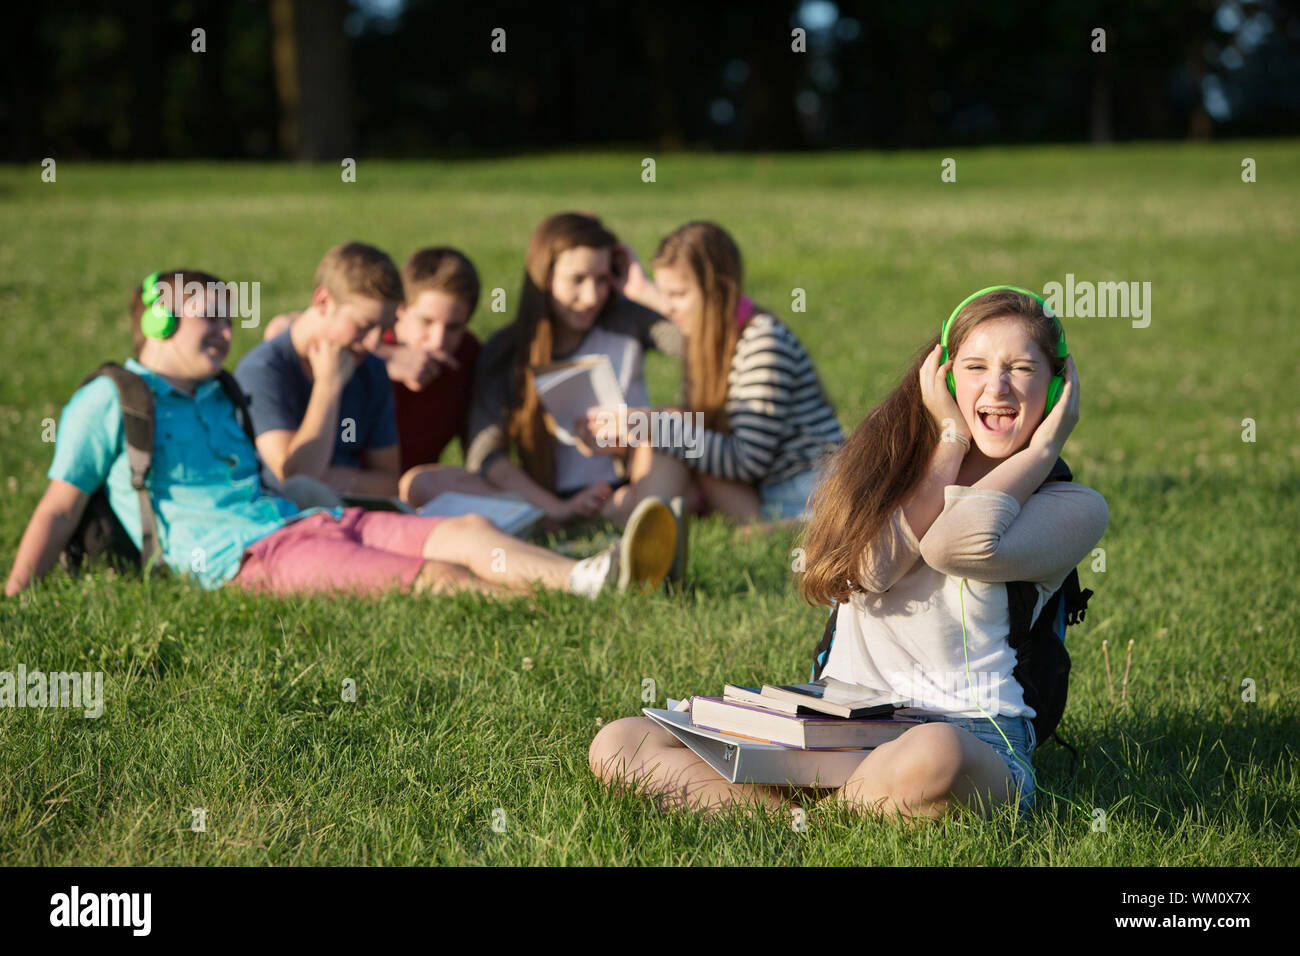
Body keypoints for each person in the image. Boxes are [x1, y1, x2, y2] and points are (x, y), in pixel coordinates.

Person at [588, 287, 1108, 821]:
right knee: (619, 742)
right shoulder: (888, 473)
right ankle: (832, 811)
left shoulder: (1071, 504)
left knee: (937, 753)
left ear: (1055, 388)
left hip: (969, 739)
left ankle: (793, 810)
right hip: (839, 722)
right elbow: (869, 571)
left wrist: (1043, 450)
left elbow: (958, 545)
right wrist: (949, 442)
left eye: (1021, 368)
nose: (996, 387)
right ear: (945, 378)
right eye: (975, 366)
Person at [4, 270, 679, 600]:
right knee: (433, 578)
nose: (223, 332)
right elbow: (60, 505)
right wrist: (15, 598)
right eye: (205, 320)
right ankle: (557, 605)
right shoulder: (108, 400)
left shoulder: (222, 389)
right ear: (155, 324)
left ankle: (591, 579)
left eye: (225, 318)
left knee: (467, 528)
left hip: (306, 515)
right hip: (240, 560)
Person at [593, 221, 844, 522]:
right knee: (669, 426)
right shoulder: (719, 334)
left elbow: (746, 461)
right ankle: (629, 518)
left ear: (721, 289)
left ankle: (627, 520)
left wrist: (654, 427)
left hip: (807, 491)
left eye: (678, 294)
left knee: (667, 428)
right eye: (664, 294)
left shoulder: (762, 344)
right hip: (774, 488)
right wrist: (641, 291)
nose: (667, 308)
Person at [466, 212, 693, 528]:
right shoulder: (506, 349)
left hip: (632, 483)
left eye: (602, 279)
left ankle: (630, 521)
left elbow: (709, 348)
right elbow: (486, 455)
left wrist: (648, 294)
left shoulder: (626, 319)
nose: (591, 297)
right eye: (577, 279)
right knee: (425, 483)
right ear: (545, 276)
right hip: (544, 498)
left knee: (678, 424)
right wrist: (559, 508)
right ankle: (594, 524)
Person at [260, 245, 495, 507]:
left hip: (411, 491)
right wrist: (388, 356)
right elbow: (288, 328)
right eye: (426, 322)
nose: (438, 339)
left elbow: (478, 447)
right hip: (345, 492)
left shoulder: (467, 356)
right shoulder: (362, 350)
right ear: (401, 310)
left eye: (454, 327)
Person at [235, 241, 406, 501]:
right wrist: (328, 385)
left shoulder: (370, 368)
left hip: (351, 512)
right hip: (283, 520)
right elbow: (298, 480)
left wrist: (342, 479)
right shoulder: (262, 371)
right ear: (323, 301)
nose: (374, 342)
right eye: (364, 325)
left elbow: (389, 482)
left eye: (384, 329)